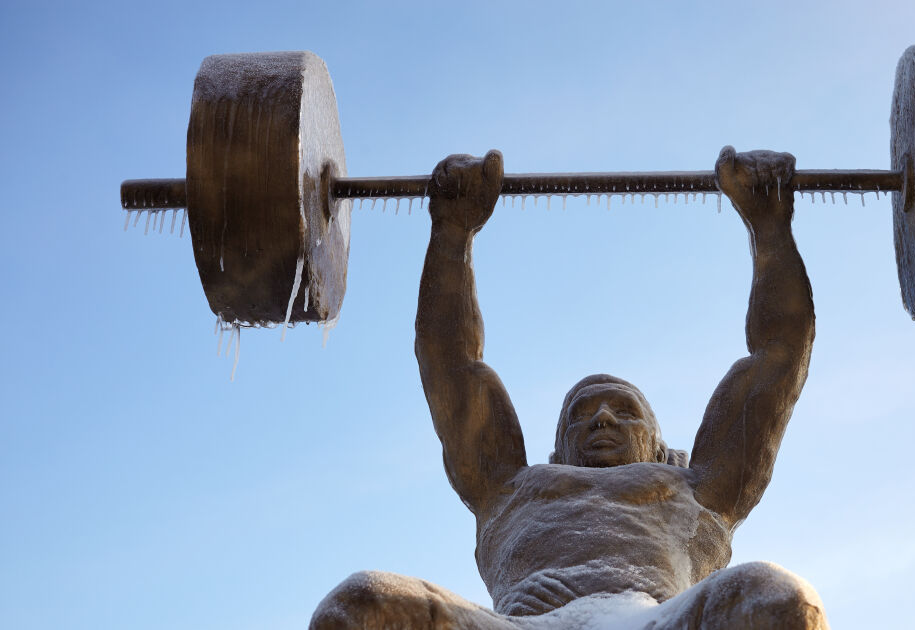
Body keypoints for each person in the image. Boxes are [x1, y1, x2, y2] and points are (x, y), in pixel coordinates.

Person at [311, 147, 826, 629]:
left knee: (777, 596)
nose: (602, 418)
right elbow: (451, 362)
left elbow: (778, 357)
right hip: (519, 623)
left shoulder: (701, 488)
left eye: (625, 410)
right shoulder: (508, 487)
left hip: (654, 619)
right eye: (581, 414)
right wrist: (451, 233)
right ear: (556, 449)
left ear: (658, 445)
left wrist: (770, 227)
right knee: (357, 605)